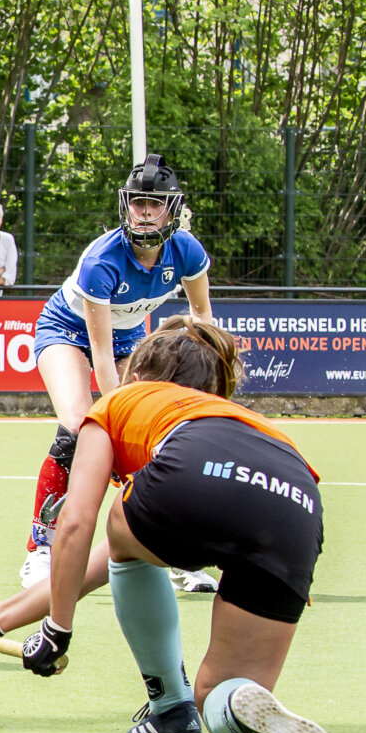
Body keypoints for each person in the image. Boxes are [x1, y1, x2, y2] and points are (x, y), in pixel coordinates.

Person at [0, 317, 331, 733]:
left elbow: (76, 525)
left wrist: (58, 629)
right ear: (214, 385)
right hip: (297, 508)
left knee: (123, 528)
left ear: (137, 374)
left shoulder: (122, 401)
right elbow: (110, 556)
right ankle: (236, 703)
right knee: (220, 692)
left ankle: (170, 709)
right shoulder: (248, 420)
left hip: (192, 483)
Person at [20, 153, 218, 596]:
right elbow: (102, 356)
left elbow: (203, 320)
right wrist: (117, 422)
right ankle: (40, 548)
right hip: (68, 331)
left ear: (172, 209)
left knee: (168, 436)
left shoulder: (186, 250)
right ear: (126, 205)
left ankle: (177, 555)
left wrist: (211, 395)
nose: (145, 213)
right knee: (78, 428)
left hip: (131, 337)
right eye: (138, 204)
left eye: (155, 204)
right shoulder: (102, 259)